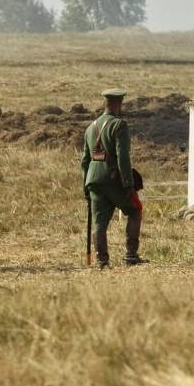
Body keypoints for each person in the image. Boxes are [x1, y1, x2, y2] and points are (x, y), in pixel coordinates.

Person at [81, 89, 147, 269]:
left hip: (93, 180)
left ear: (105, 103)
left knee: (99, 223)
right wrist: (128, 184)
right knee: (134, 211)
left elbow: (85, 161)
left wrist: (85, 187)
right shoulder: (119, 125)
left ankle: (102, 262)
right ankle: (131, 256)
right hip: (113, 178)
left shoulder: (90, 128)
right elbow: (123, 157)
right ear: (119, 104)